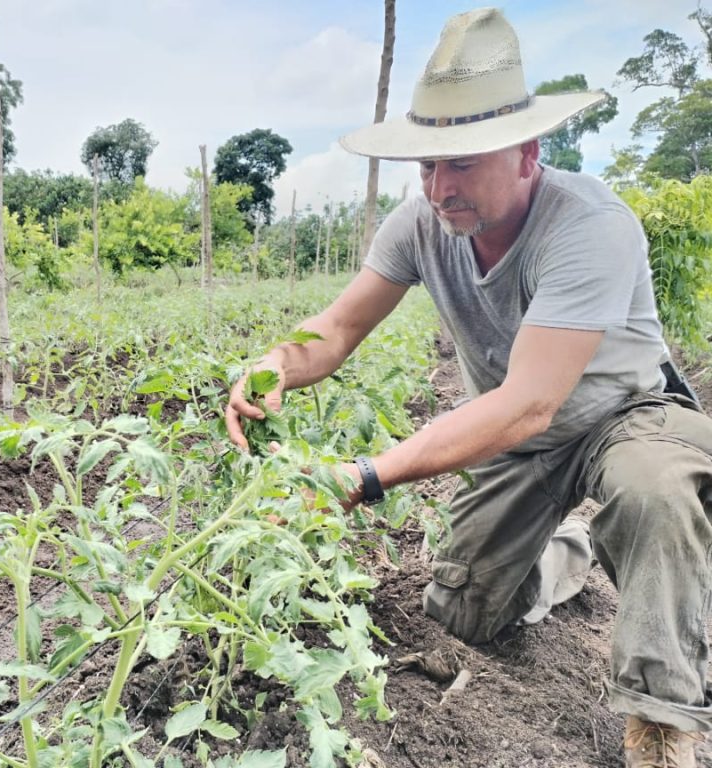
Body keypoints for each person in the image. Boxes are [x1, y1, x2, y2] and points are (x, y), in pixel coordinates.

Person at [224, 7, 712, 767]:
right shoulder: (419, 224)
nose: (440, 187)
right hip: (517, 441)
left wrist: (366, 476)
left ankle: (662, 724)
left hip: (623, 415)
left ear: (527, 153)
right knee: (462, 614)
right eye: (427, 166)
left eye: (460, 163)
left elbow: (530, 403)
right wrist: (277, 365)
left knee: (654, 493)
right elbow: (340, 328)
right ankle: (570, 553)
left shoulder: (590, 225)